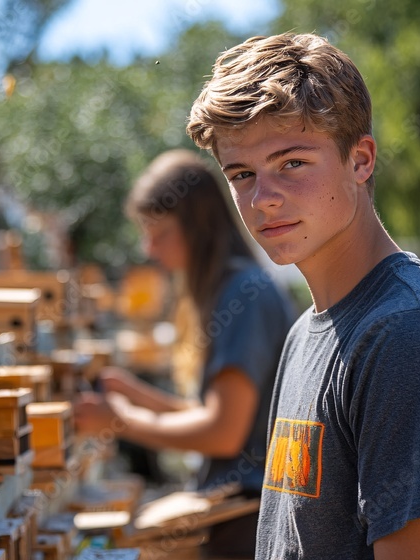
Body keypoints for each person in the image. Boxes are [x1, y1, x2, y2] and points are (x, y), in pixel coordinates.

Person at [184, 32, 420, 558]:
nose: (263, 199)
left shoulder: (408, 336)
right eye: (242, 174)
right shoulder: (307, 331)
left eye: (292, 163)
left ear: (360, 160)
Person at [74, 149, 297, 559]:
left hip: (248, 525)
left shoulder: (244, 296)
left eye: (159, 233)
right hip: (241, 518)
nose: (149, 248)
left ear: (197, 227)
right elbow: (217, 414)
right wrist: (137, 395)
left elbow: (223, 432)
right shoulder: (235, 288)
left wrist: (120, 420)